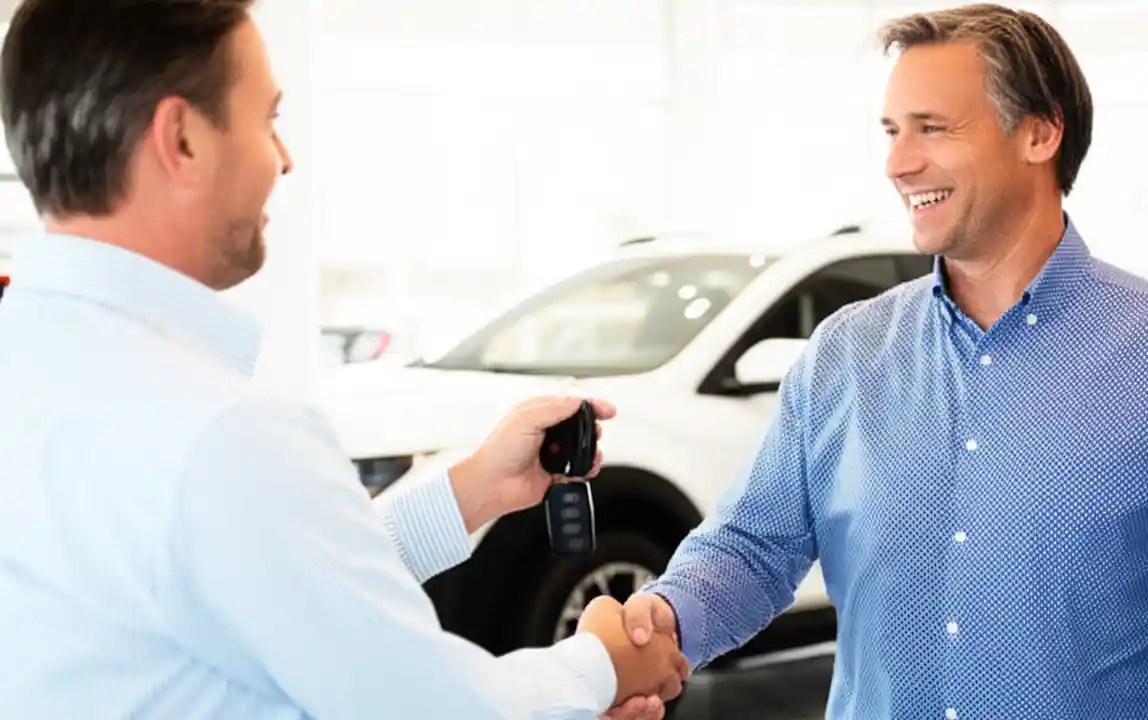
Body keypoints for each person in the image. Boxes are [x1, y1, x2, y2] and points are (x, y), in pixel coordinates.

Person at [0, 1, 687, 718]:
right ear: (183, 140)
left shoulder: (33, 363)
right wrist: (604, 661)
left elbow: (291, 591)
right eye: (268, 119)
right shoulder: (220, 434)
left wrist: (469, 491)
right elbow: (432, 706)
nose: (284, 158)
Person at [618, 4, 1148, 719]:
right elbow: (751, 551)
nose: (899, 162)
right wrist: (654, 627)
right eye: (893, 131)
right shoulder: (844, 355)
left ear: (1040, 132)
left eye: (932, 128)